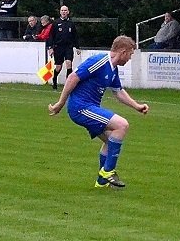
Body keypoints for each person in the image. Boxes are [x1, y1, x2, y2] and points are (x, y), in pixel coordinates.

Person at [48, 35, 149, 188]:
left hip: (89, 108)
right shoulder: (99, 61)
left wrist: (137, 106)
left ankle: (101, 183)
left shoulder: (113, 69)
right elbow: (72, 77)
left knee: (111, 140)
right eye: (130, 54)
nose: (130, 58)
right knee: (122, 125)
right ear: (123, 52)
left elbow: (118, 91)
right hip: (80, 107)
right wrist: (60, 103)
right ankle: (107, 172)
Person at [48, 5, 80, 90]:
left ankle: (68, 84)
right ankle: (54, 79)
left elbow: (75, 36)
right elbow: (51, 36)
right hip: (58, 47)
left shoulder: (71, 23)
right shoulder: (55, 23)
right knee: (59, 67)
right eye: (62, 10)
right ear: (60, 12)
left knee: (69, 63)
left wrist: (77, 47)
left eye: (65, 10)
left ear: (68, 12)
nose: (64, 12)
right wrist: (50, 48)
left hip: (68, 47)